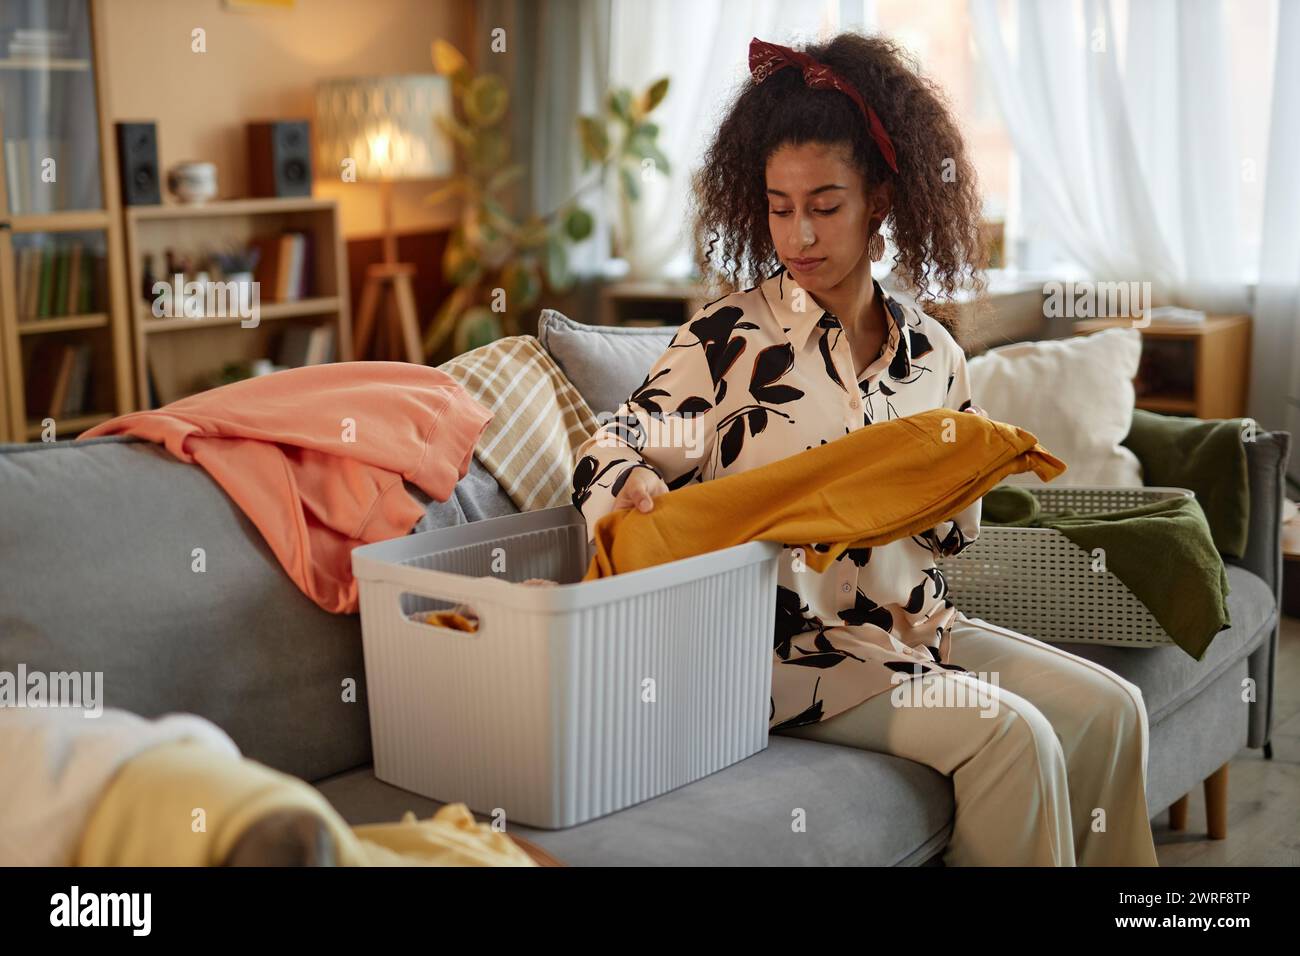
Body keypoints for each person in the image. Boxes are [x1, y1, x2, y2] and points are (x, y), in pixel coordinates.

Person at [571, 31, 1157, 867]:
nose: (799, 235)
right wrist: (629, 482)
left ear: (879, 197)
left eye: (825, 204)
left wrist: (949, 491)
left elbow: (954, 538)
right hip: (787, 656)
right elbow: (615, 442)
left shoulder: (934, 355)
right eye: (779, 207)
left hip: (913, 630)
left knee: (1113, 710)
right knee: (1011, 739)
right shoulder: (728, 341)